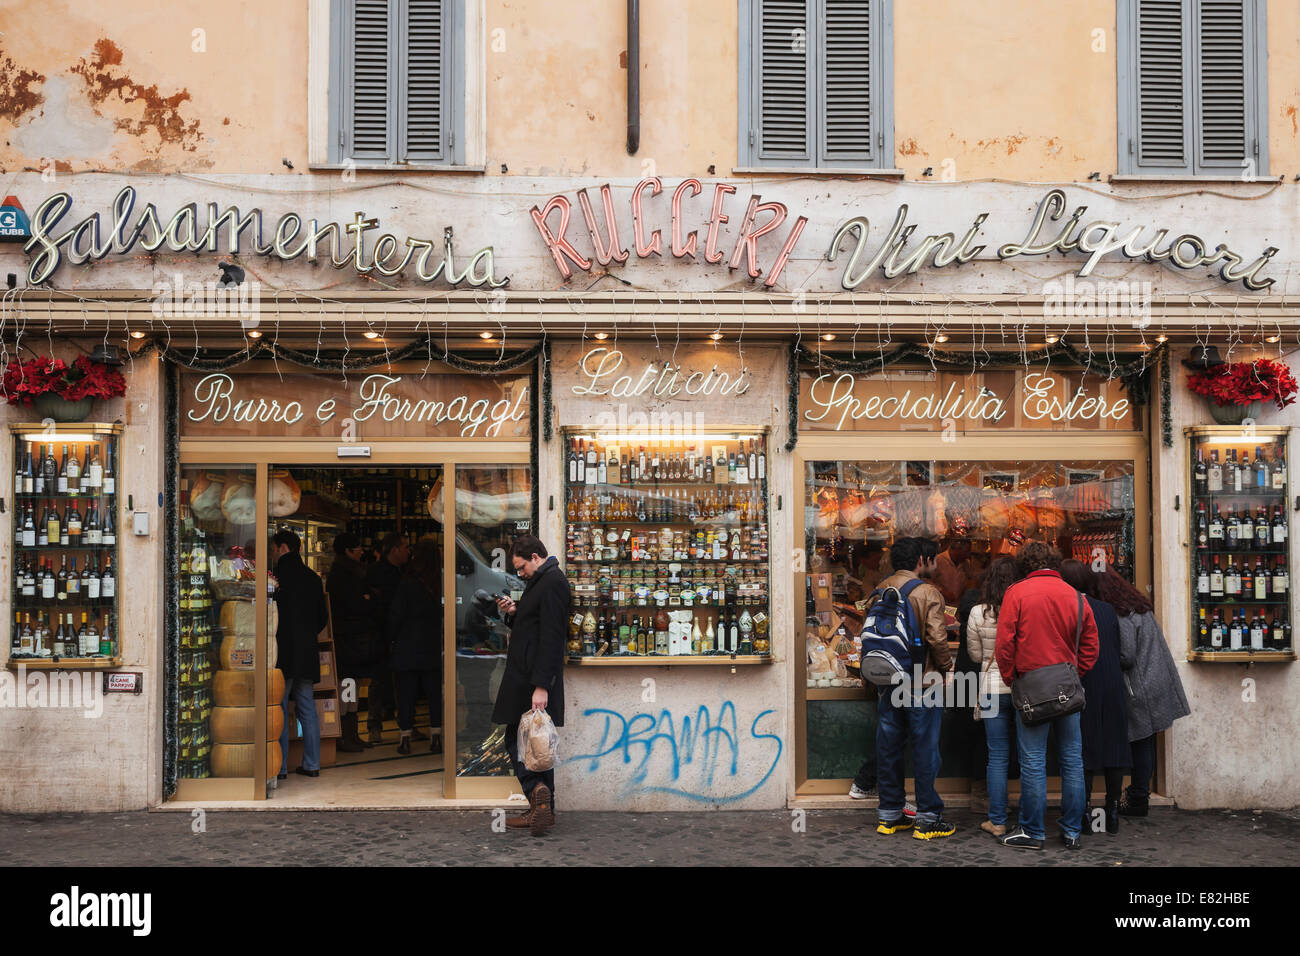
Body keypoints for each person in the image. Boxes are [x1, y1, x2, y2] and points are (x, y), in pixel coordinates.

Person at [994, 542, 1098, 850]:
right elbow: (1092, 645)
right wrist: (1074, 673)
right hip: (1067, 688)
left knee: (1033, 762)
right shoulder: (1076, 597)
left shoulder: (1016, 593)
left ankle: (1033, 832)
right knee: (1072, 761)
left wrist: (1013, 678)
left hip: (1031, 687)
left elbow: (1004, 645)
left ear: (1025, 566)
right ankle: (1071, 831)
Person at [870, 537, 957, 841]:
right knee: (925, 750)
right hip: (922, 683)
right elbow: (936, 637)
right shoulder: (927, 592)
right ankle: (928, 818)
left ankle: (890, 815)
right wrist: (948, 669)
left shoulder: (880, 590)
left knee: (889, 747)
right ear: (921, 560)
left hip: (888, 682)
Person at [1097, 569, 1190, 817]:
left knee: (1140, 742)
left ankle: (1138, 798)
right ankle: (1139, 796)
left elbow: (1126, 655)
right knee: (1144, 740)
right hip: (1154, 680)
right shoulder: (1139, 608)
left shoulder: (1122, 615)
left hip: (1138, 686)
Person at [492, 535, 569, 836]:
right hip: (526, 676)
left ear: (536, 557)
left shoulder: (553, 582)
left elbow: (552, 638)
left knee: (520, 741)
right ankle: (542, 807)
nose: (520, 573)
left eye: (521, 567)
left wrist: (541, 686)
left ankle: (537, 792)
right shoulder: (543, 580)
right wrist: (514, 612)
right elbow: (535, 625)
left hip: (531, 680)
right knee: (534, 742)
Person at [1059, 560, 1130, 835]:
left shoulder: (1066, 608)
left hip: (1082, 680)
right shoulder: (1107, 610)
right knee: (1114, 746)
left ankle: (1085, 811)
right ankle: (1111, 810)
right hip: (1111, 680)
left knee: (1084, 748)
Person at [966, 556, 1021, 837]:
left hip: (990, 688)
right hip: (1022, 687)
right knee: (1028, 755)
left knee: (996, 756)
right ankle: (1028, 821)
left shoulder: (977, 613)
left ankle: (997, 820)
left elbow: (976, 655)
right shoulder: (1025, 608)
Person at [272, 528, 329, 779]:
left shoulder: (275, 579)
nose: (272, 554)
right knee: (307, 708)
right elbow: (321, 619)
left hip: (281, 652)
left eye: (274, 549)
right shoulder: (312, 578)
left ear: (283, 547)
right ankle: (312, 763)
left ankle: (280, 767)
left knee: (279, 707)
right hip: (306, 651)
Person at [387, 537, 443, 756]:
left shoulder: (407, 581)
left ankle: (405, 739)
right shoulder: (440, 581)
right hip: (432, 645)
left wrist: (391, 640)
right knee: (434, 695)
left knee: (406, 695)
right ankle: (436, 737)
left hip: (407, 645)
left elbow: (395, 615)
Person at [325, 532, 378, 753]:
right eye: (357, 547)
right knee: (347, 685)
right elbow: (359, 603)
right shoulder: (344, 574)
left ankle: (351, 733)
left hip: (352, 638)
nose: (361, 551)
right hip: (348, 640)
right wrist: (367, 600)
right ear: (347, 551)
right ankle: (345, 734)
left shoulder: (347, 572)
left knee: (352, 685)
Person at [364, 533, 409, 744]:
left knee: (402, 680)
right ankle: (374, 725)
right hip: (381, 632)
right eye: (405, 547)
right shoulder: (375, 572)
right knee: (379, 680)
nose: (408, 552)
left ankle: (405, 724)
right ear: (394, 550)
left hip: (400, 632)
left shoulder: (403, 571)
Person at [934, 536, 979, 606]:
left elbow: (973, 577)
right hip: (939, 604)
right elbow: (926, 581)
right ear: (956, 550)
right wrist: (941, 591)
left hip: (957, 605)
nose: (968, 555)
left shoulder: (966, 563)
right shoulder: (938, 560)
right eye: (966, 552)